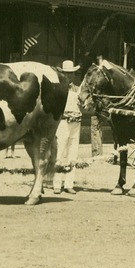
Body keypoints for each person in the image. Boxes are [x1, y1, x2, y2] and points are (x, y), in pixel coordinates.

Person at [54, 59, 82, 194]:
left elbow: (84, 105)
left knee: (73, 154)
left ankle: (69, 184)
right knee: (60, 152)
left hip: (76, 123)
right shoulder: (59, 89)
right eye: (67, 74)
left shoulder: (78, 89)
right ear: (63, 74)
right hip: (63, 122)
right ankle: (57, 184)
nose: (70, 76)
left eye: (72, 74)